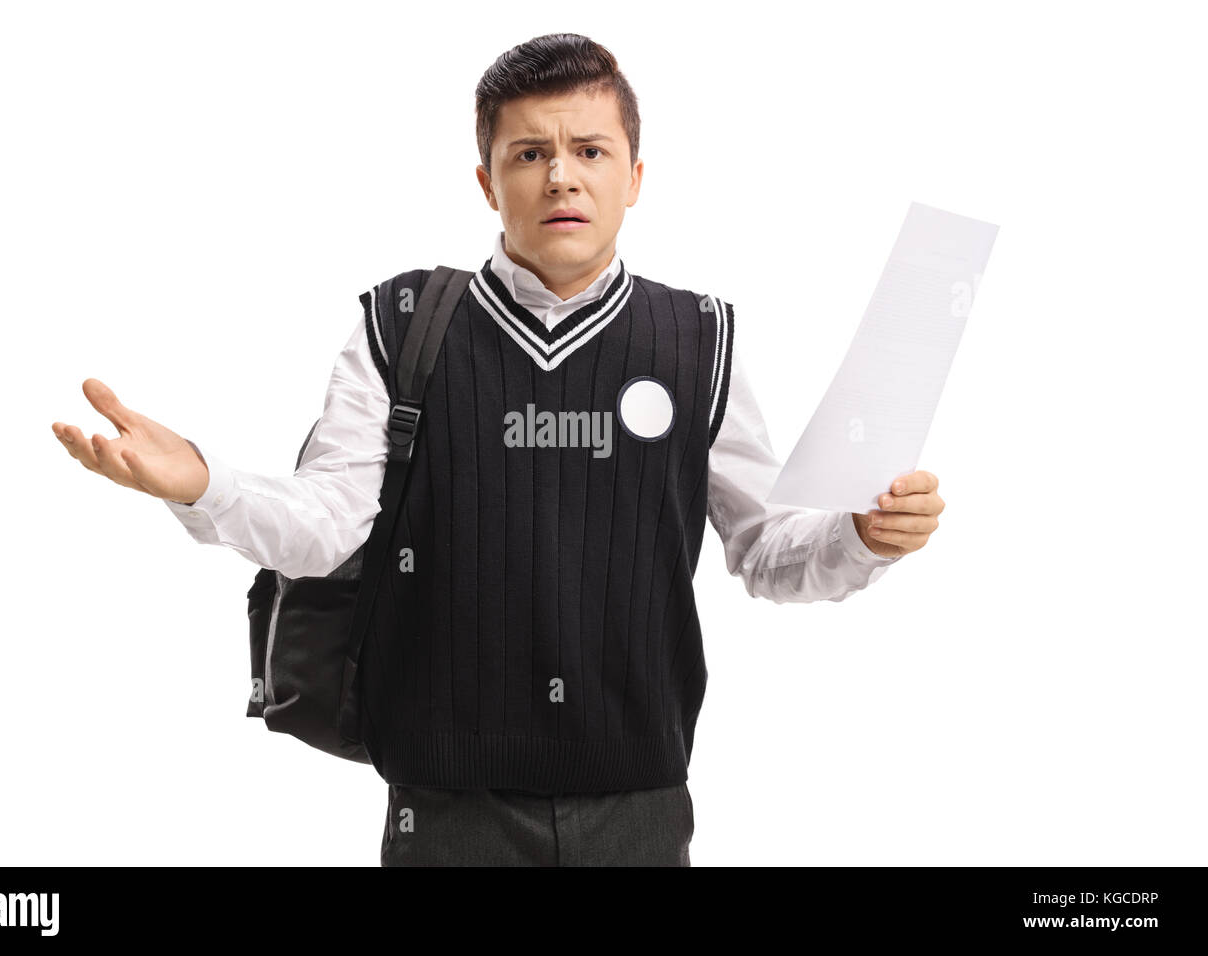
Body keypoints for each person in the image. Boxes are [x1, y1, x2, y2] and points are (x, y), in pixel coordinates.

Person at [51, 33, 945, 866]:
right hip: (444, 808)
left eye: (590, 151)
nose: (563, 177)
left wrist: (862, 536)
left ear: (635, 176)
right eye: (530, 154)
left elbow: (766, 551)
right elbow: (325, 527)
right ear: (487, 181)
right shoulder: (400, 325)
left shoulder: (696, 338)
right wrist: (204, 484)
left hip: (638, 803)